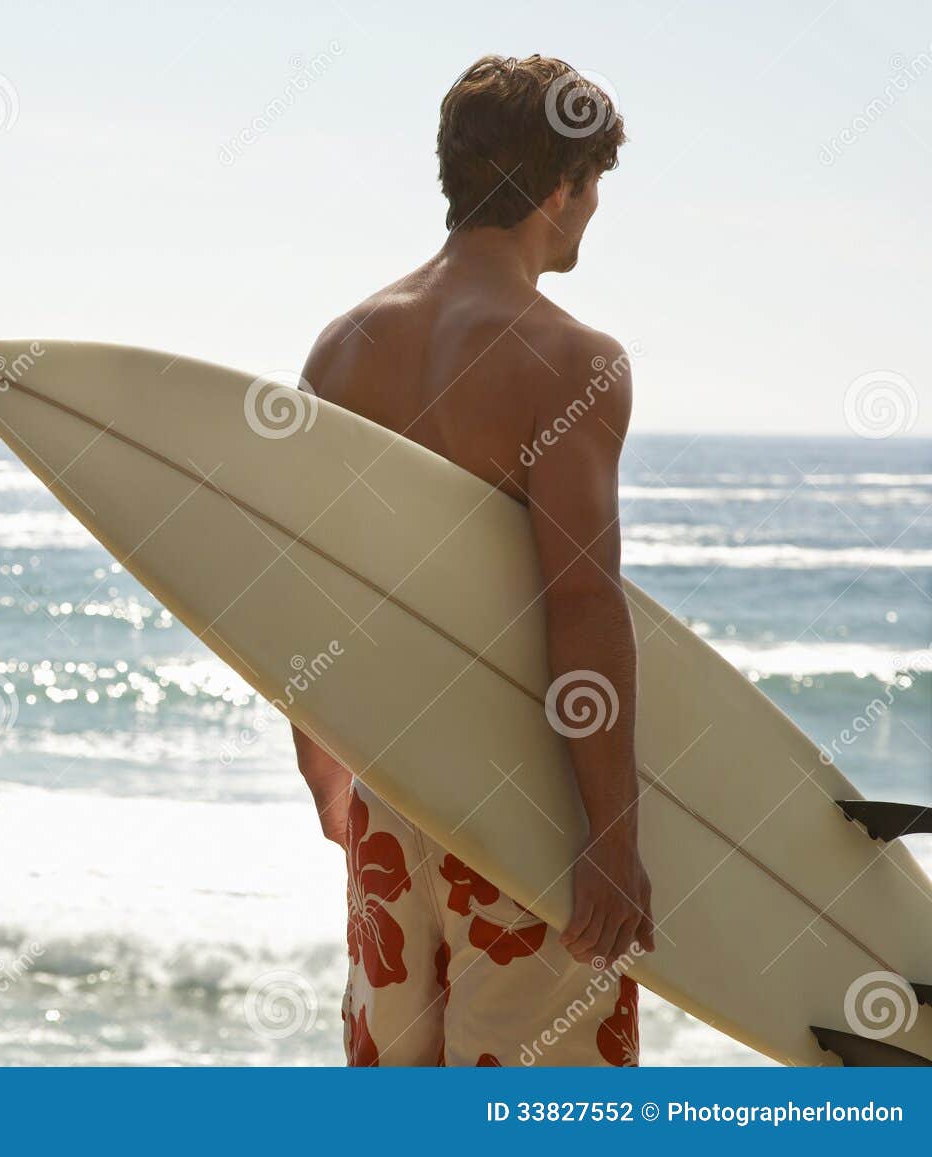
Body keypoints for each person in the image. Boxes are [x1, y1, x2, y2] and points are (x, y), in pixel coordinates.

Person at [292, 55, 652, 1067]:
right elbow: (580, 600)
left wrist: (325, 771)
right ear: (559, 186)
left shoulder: (343, 349)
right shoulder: (569, 360)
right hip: (523, 808)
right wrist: (611, 838)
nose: (590, 212)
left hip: (390, 789)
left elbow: (301, 583)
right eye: (593, 186)